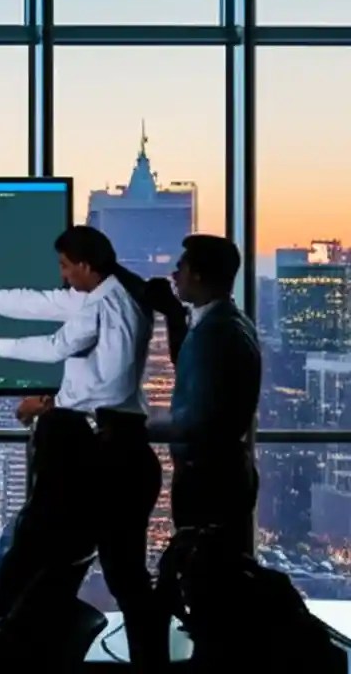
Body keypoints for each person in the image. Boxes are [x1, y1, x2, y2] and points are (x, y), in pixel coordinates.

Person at [0, 225, 165, 671]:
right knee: (118, 574)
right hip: (111, 448)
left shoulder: (109, 307)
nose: (61, 276)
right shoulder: (102, 294)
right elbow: (34, 302)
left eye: (64, 266)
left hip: (103, 454)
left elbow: (63, 349)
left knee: (79, 565)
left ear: (85, 265)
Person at [150, 234, 261, 554]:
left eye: (180, 267)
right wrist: (173, 314)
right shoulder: (233, 321)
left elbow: (195, 422)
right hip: (228, 472)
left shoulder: (215, 333)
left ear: (197, 274)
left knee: (207, 577)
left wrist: (134, 429)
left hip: (208, 480)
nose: (174, 275)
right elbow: (191, 363)